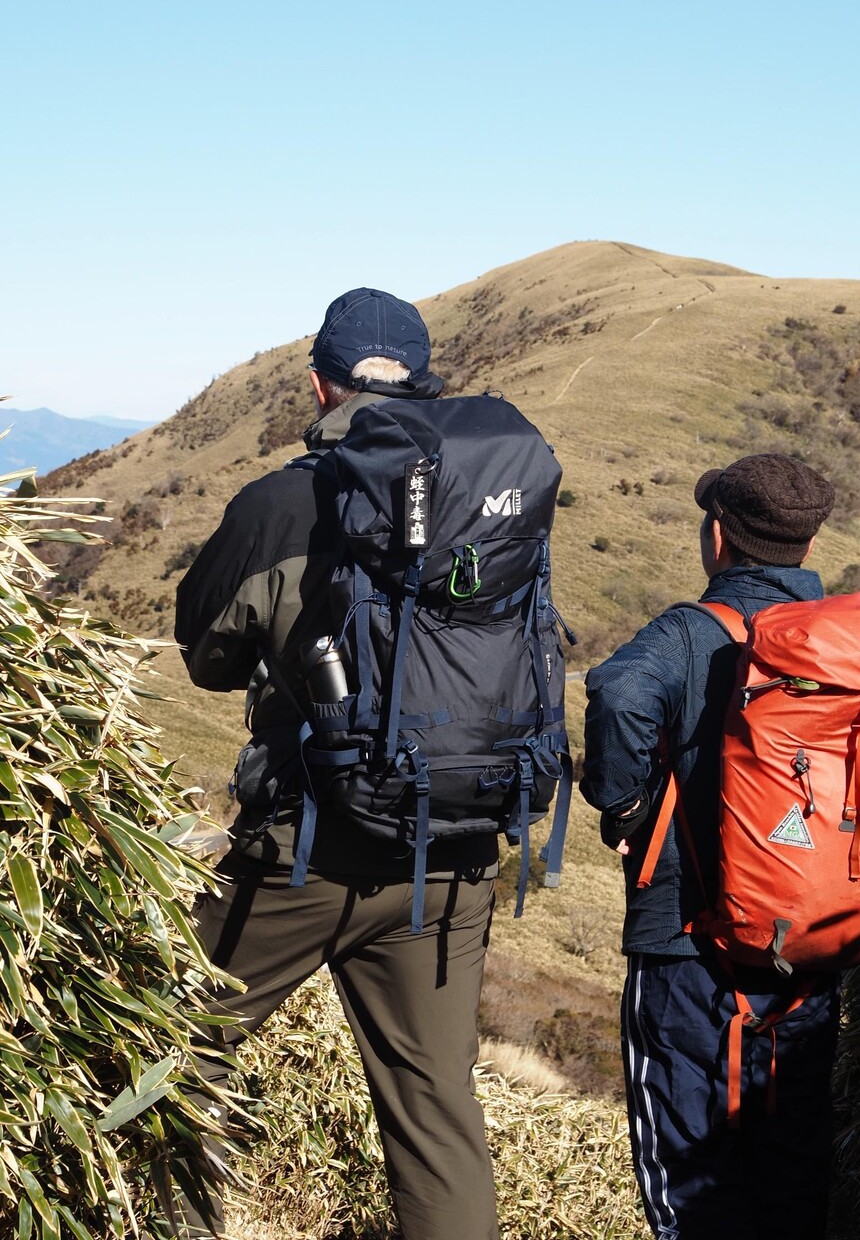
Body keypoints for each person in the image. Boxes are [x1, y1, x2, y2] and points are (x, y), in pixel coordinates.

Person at [173, 289, 500, 1240]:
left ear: (319, 382)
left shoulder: (281, 504)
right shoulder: (490, 496)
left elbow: (206, 654)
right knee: (436, 1113)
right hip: (452, 851)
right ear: (429, 385)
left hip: (306, 852)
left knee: (168, 1052)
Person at [581, 453, 839, 1240]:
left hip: (689, 947)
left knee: (689, 1180)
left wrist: (624, 809)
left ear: (718, 536)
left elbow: (619, 692)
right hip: (814, 945)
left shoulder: (689, 633)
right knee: (789, 1179)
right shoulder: (849, 643)